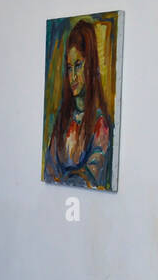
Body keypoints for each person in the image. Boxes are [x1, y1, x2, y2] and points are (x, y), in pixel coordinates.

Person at [44, 20, 112, 188]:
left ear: (90, 65)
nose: (72, 76)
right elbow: (49, 169)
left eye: (78, 65)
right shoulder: (63, 120)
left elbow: (91, 177)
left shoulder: (99, 125)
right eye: (69, 67)